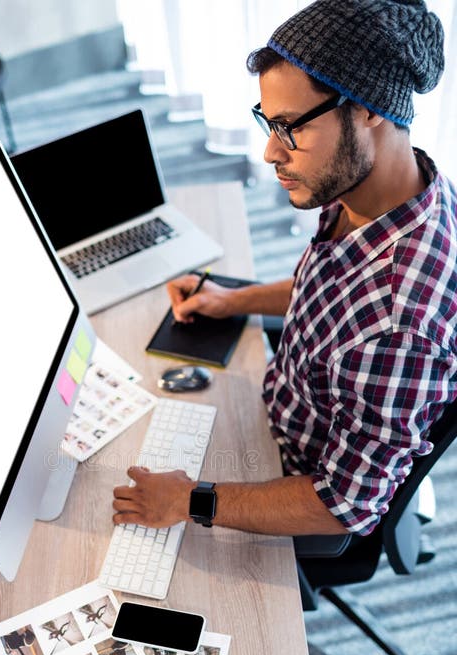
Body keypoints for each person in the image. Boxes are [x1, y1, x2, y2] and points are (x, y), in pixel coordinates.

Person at [112, 0, 456, 545]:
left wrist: (188, 500)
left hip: (290, 482)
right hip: (278, 399)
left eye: (290, 127)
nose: (271, 151)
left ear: (369, 109)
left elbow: (345, 505)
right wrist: (236, 300)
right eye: (268, 122)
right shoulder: (377, 187)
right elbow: (335, 293)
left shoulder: (403, 327)